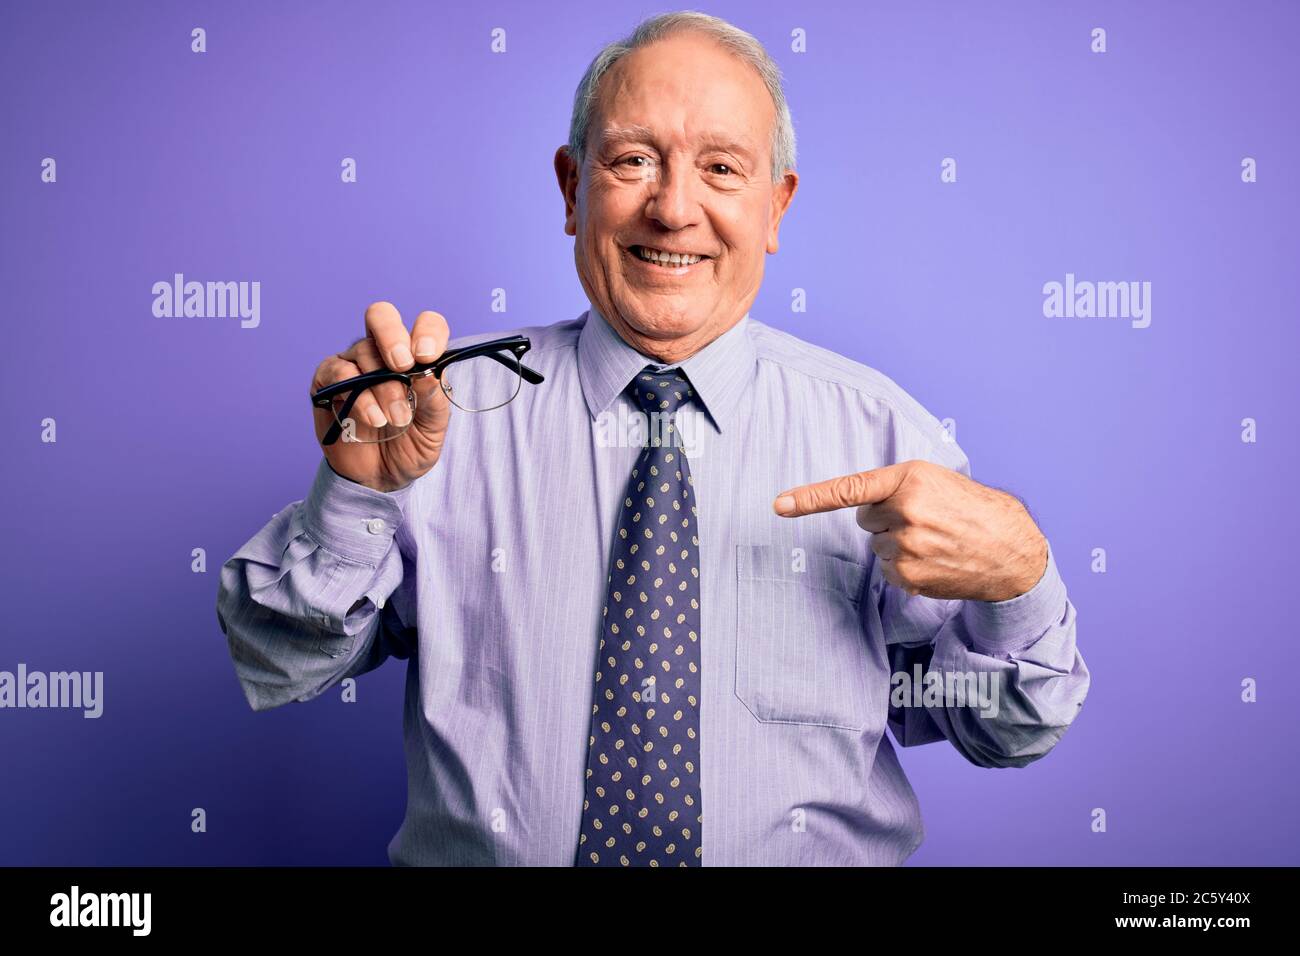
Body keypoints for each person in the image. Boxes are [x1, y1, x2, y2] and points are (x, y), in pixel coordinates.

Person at [217, 11, 1088, 867]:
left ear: (776, 206)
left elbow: (1007, 728)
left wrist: (1020, 578)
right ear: (571, 189)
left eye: (721, 168)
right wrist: (357, 498)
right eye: (634, 161)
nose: (674, 209)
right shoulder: (435, 415)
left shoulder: (886, 437)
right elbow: (278, 658)